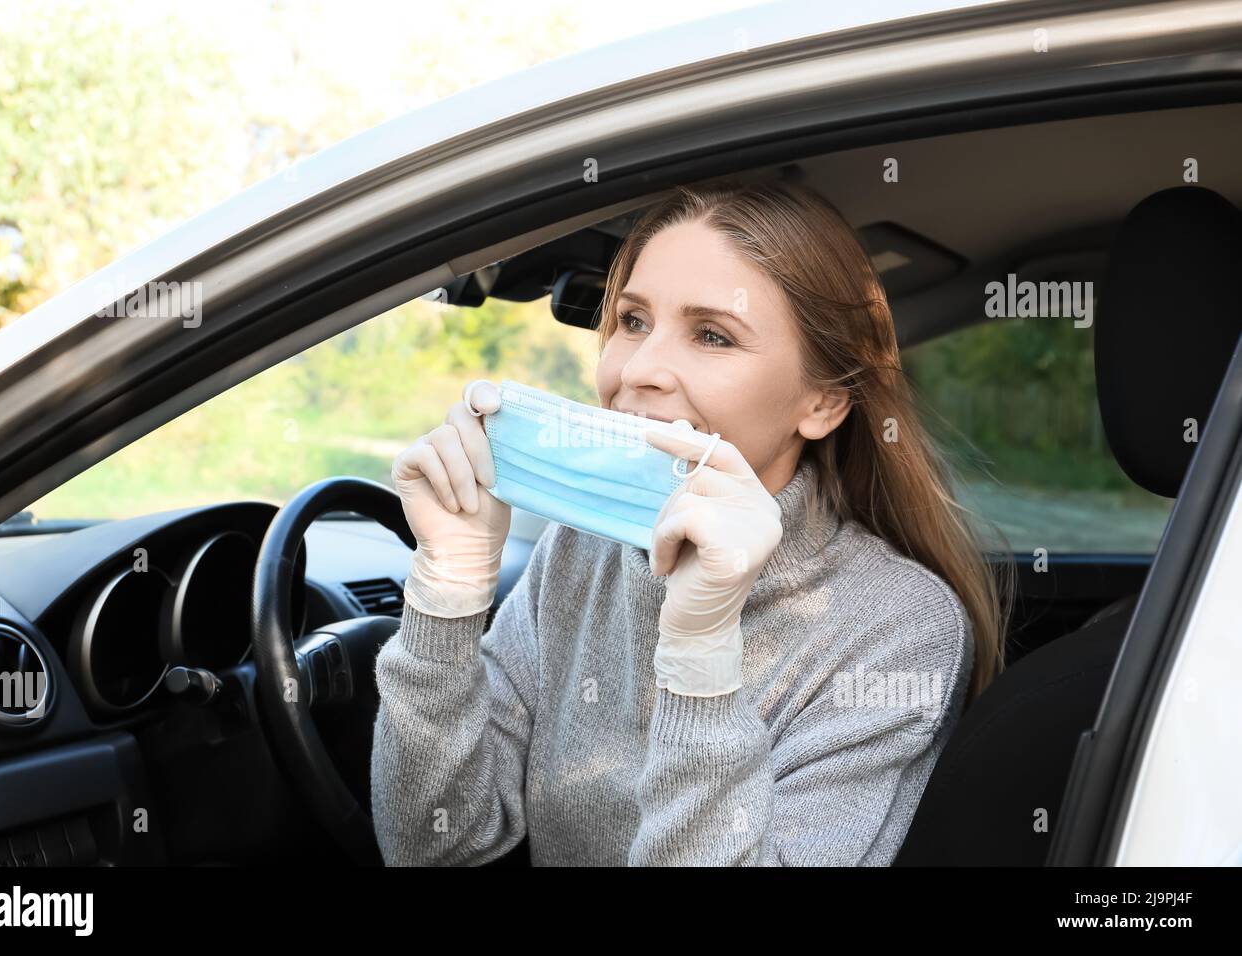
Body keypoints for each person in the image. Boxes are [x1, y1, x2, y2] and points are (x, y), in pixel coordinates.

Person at [370, 174, 1011, 866]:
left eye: (711, 335)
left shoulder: (900, 627)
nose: (639, 369)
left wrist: (702, 655)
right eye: (634, 321)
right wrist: (448, 596)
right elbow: (434, 843)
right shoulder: (582, 547)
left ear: (823, 403)